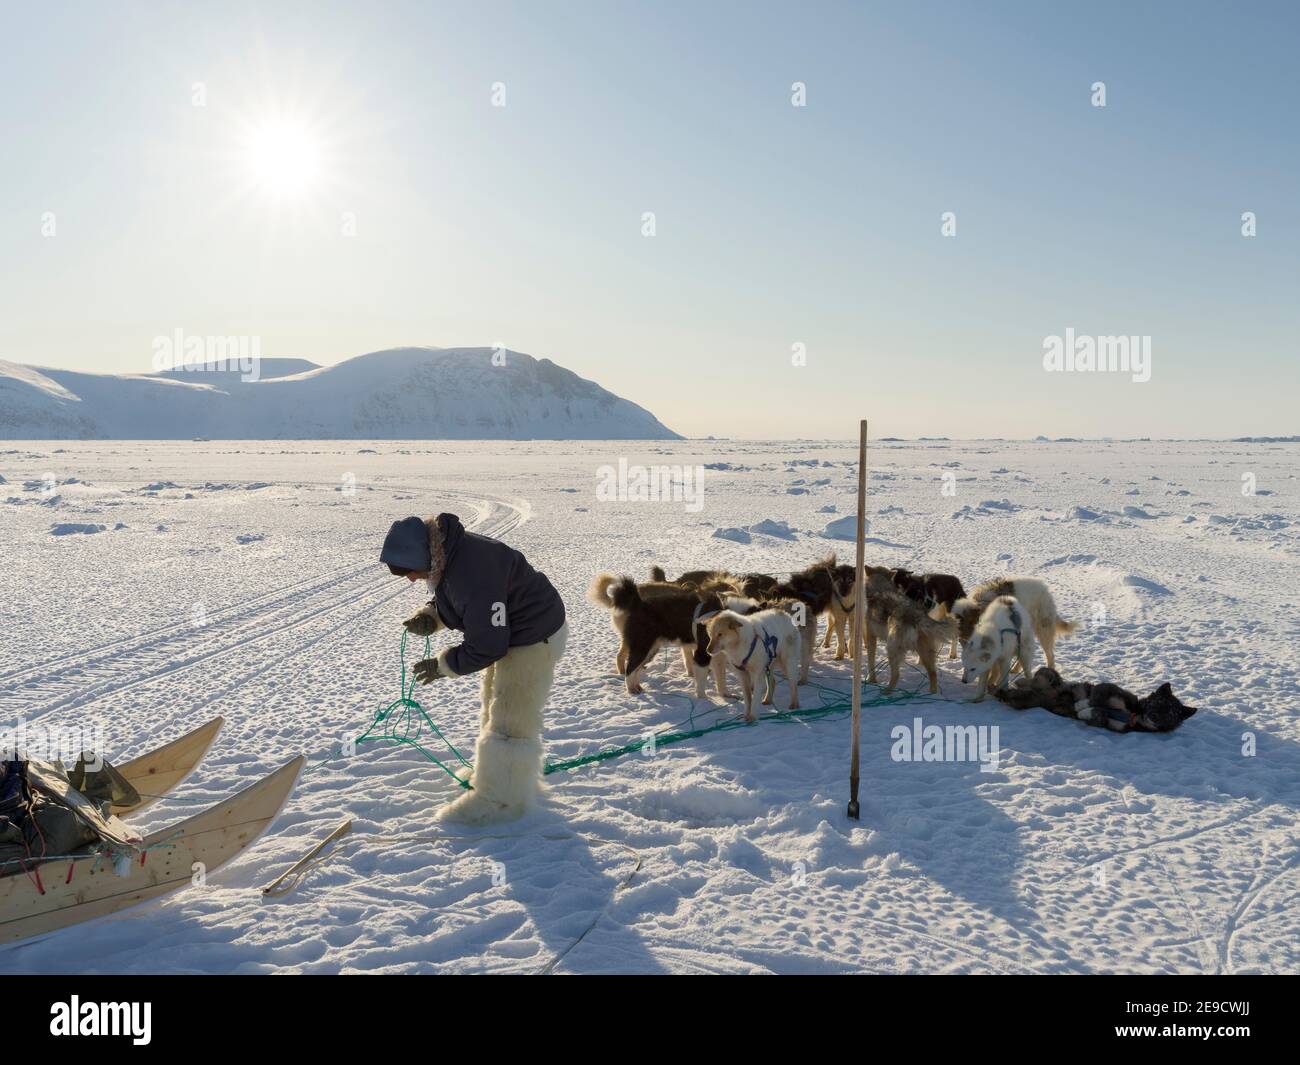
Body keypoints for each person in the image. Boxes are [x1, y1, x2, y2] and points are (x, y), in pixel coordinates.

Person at [380, 513, 566, 824]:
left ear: (422, 555)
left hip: (535, 636)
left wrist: (443, 666)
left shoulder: (471, 571)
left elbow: (487, 644)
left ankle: (501, 802)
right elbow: (457, 598)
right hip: (513, 631)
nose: (412, 579)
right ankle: (494, 775)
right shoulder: (448, 552)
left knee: (510, 719)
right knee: (494, 701)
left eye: (410, 572)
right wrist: (432, 616)